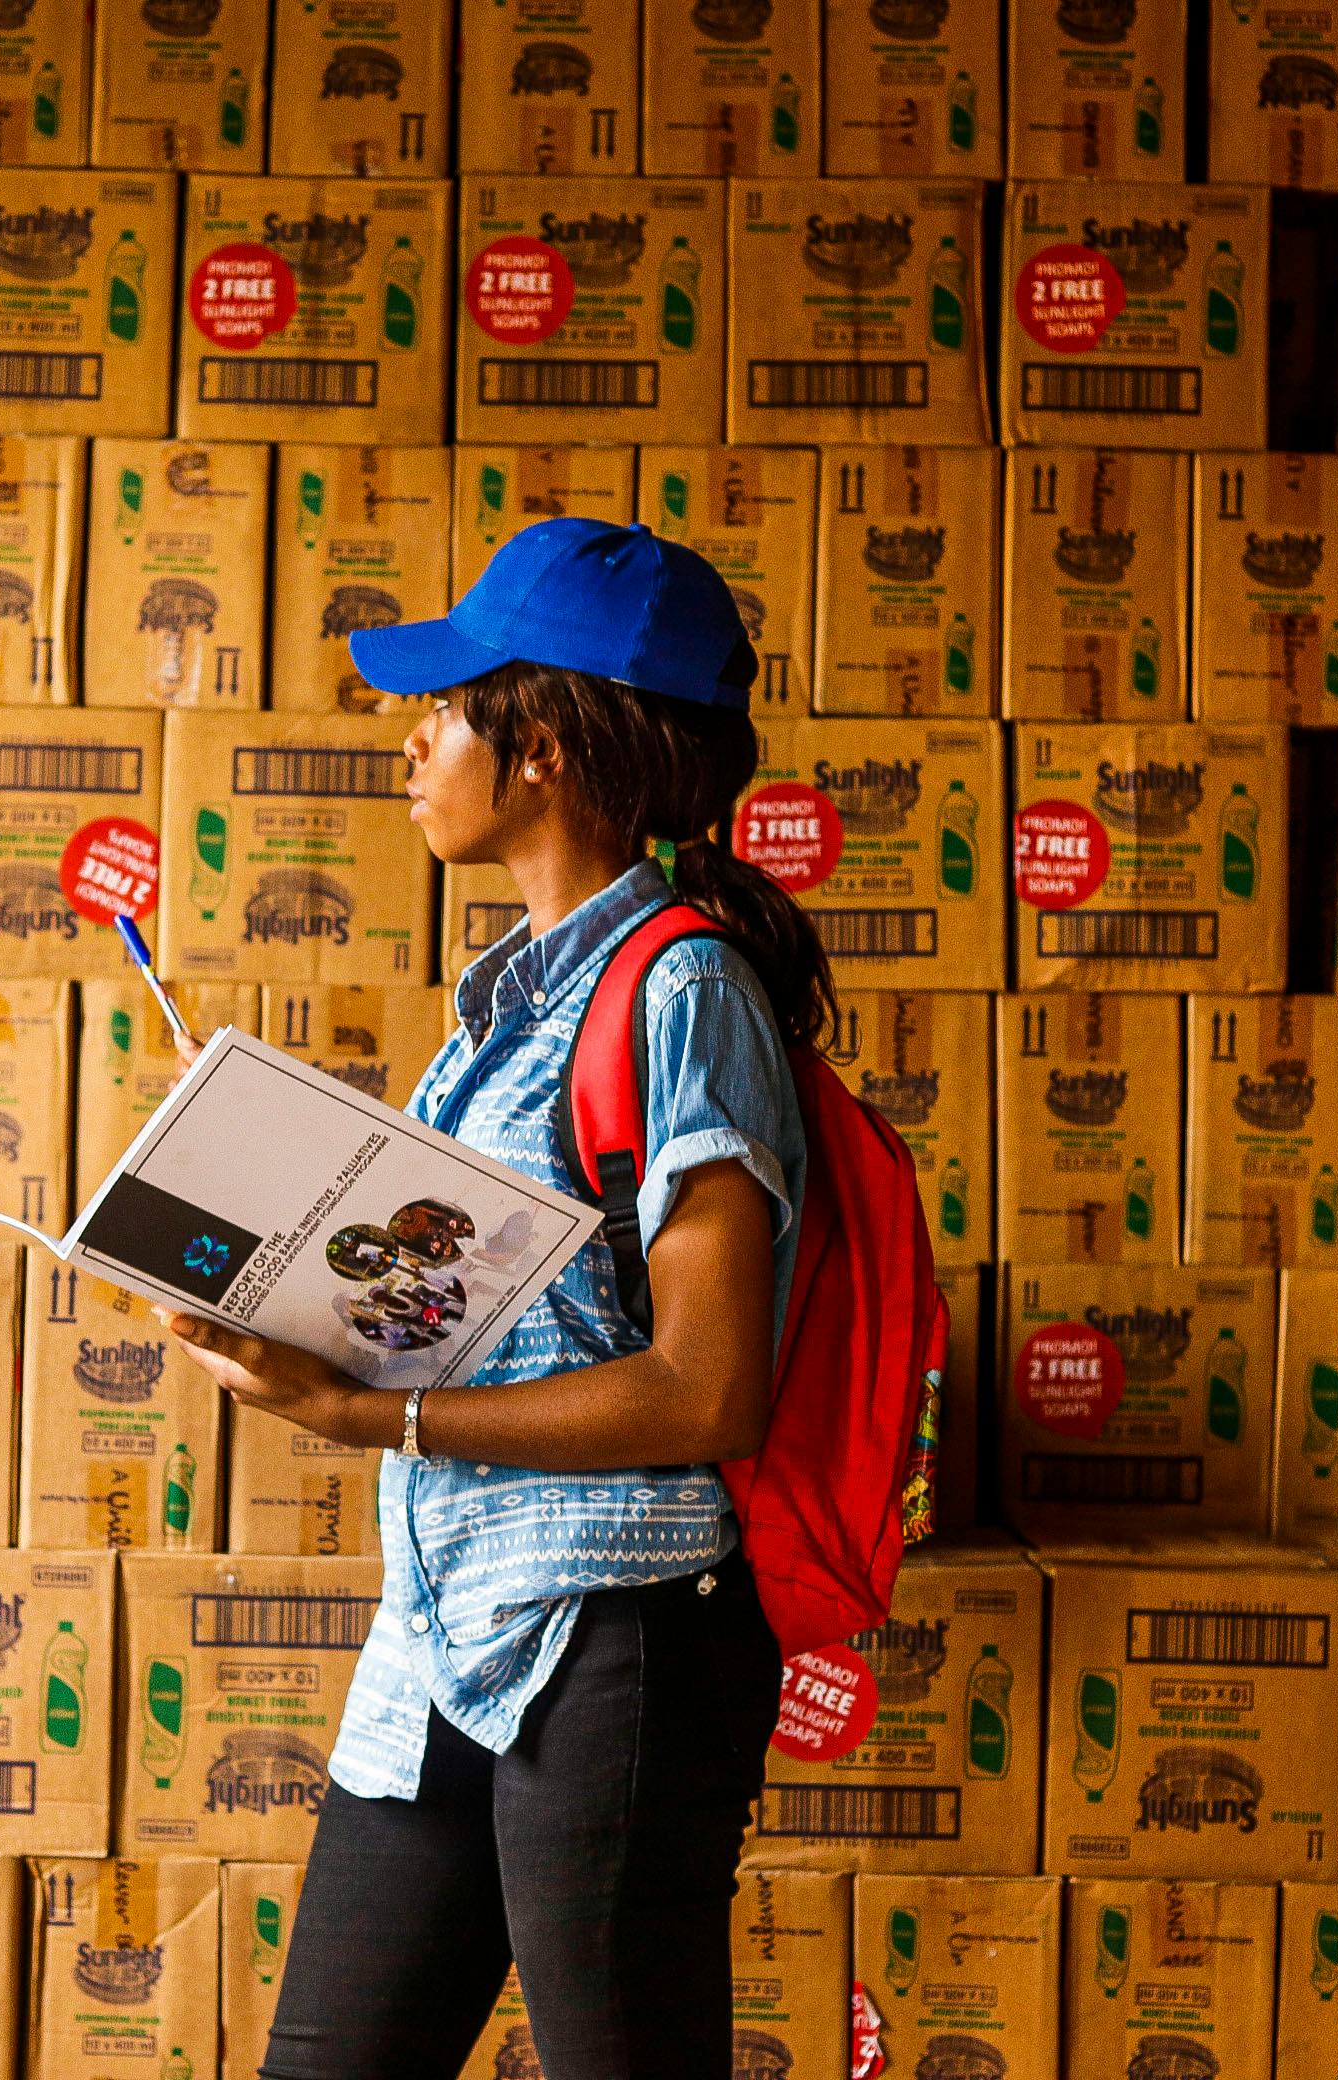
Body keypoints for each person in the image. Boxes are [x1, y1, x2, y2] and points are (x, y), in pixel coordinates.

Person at [159, 519, 836, 2079]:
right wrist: (273, 1303)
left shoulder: (684, 996)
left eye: (448, 702)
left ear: (539, 747)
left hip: (616, 1634)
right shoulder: (490, 1023)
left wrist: (367, 1411)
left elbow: (705, 1387)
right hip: (443, 1629)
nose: (414, 737)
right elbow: (487, 1312)